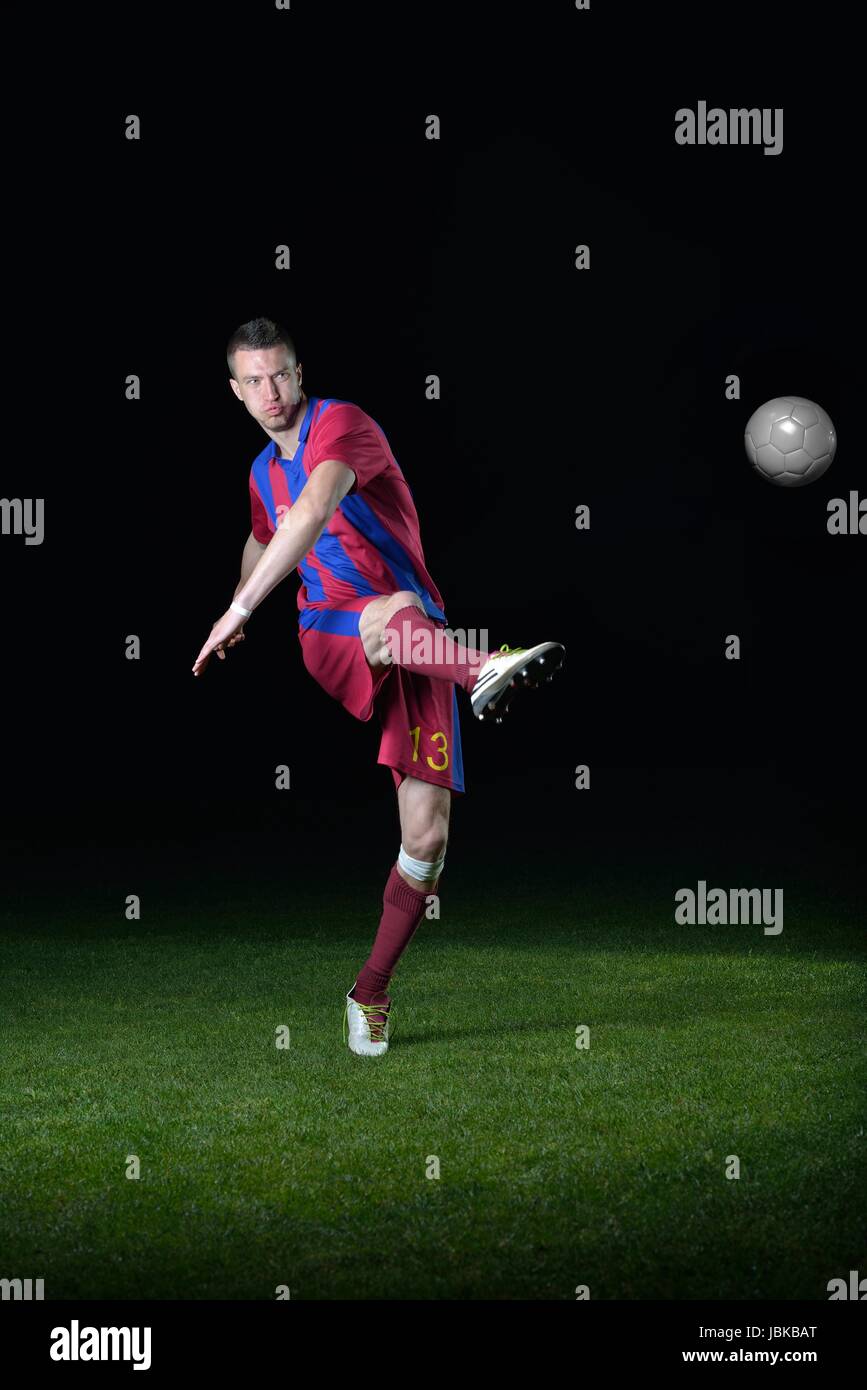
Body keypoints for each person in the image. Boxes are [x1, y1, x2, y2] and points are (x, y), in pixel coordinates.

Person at [192, 317, 565, 1057]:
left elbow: (316, 507)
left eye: (281, 374)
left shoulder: (343, 425)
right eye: (254, 381)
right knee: (392, 609)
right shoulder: (262, 472)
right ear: (236, 392)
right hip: (335, 629)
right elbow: (266, 533)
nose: (271, 391)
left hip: (420, 642)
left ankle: (368, 992)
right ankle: (484, 666)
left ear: (300, 373)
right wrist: (240, 604)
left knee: (426, 841)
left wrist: (237, 608)